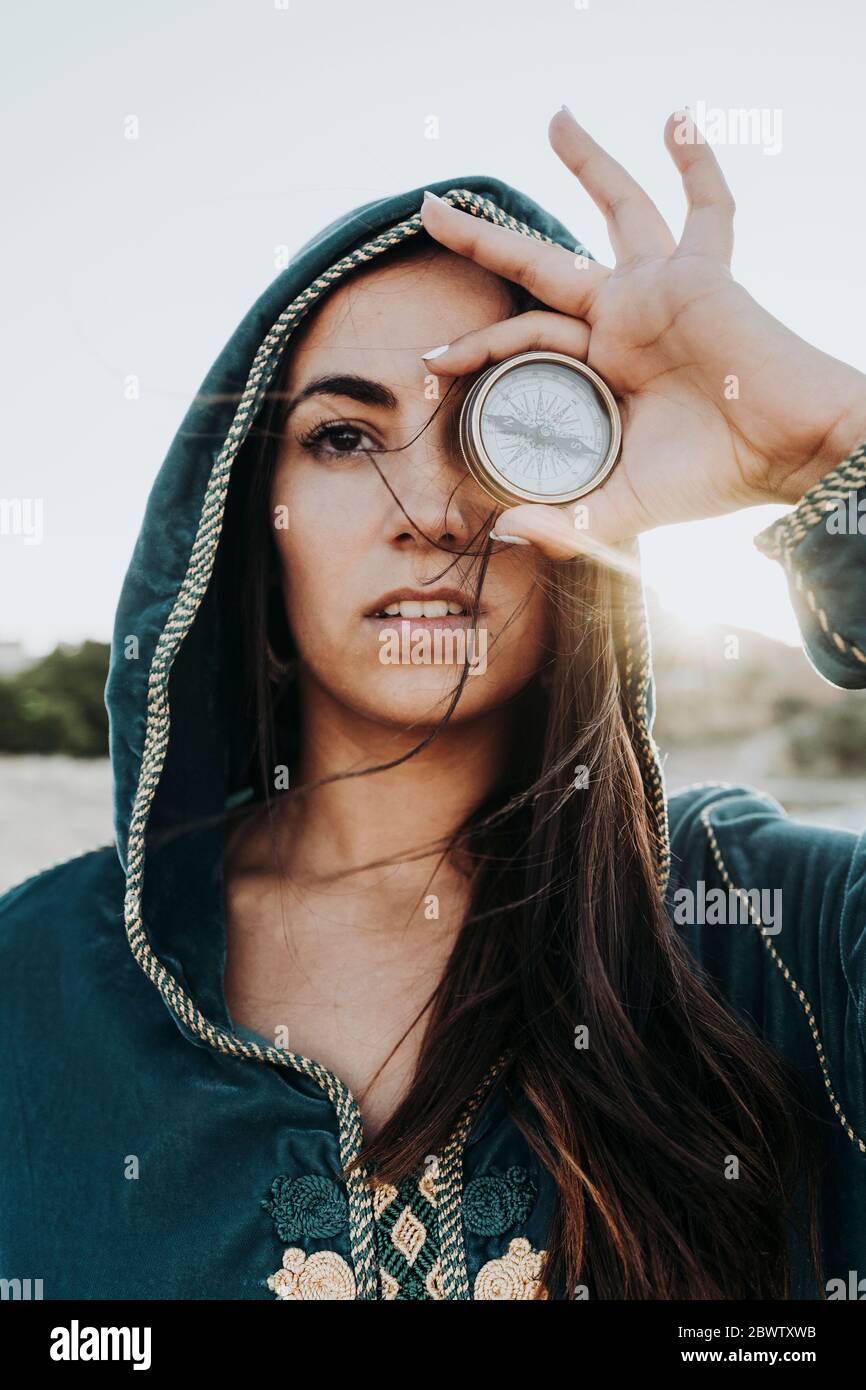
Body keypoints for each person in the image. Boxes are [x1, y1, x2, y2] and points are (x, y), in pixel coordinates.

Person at [2, 107, 865, 1301]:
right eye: (345, 436)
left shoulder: (781, 933)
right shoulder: (32, 983)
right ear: (250, 516)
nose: (431, 509)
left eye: (504, 425)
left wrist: (825, 443)